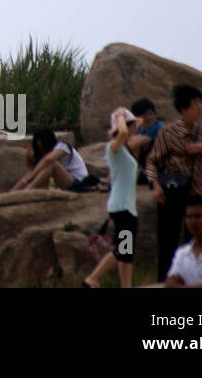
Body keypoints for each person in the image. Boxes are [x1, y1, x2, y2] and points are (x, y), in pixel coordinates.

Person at [145, 84, 202, 282]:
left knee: (195, 244)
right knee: (168, 244)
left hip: (195, 194)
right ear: (184, 108)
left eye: (201, 103)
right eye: (196, 104)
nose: (200, 108)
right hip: (170, 194)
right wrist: (155, 186)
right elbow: (152, 161)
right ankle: (164, 283)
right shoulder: (168, 133)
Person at [84, 108, 142, 287]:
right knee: (122, 250)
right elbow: (124, 132)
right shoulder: (113, 147)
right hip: (121, 207)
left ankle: (126, 286)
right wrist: (119, 117)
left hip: (127, 207)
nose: (133, 129)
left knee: (127, 253)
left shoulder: (124, 150)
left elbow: (137, 123)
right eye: (129, 125)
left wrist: (126, 118)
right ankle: (92, 279)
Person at [13, 126, 100, 192]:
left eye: (42, 146)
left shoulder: (62, 147)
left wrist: (31, 175)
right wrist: (30, 160)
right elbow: (34, 172)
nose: (41, 149)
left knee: (53, 165)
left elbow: (48, 160)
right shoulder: (46, 155)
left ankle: (26, 192)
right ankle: (12, 194)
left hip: (79, 184)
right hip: (65, 185)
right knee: (35, 173)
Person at [130, 98, 161, 183]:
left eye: (151, 114)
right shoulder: (142, 130)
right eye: (145, 115)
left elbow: (132, 145)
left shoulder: (158, 127)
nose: (149, 118)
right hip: (146, 172)